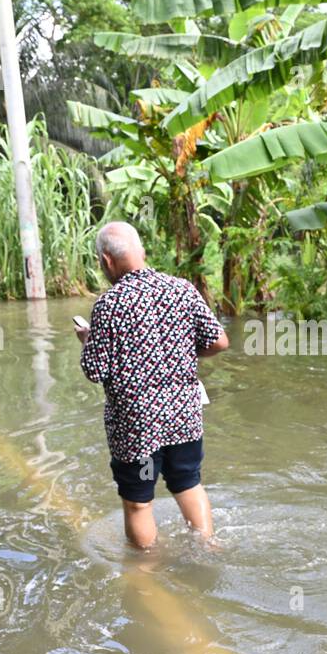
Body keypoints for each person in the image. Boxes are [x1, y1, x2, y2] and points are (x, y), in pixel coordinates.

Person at [77, 222, 229, 549]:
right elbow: (219, 342)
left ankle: (146, 576)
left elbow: (94, 369)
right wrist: (182, 354)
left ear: (106, 261)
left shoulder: (109, 305)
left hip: (138, 429)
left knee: (139, 501)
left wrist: (88, 339)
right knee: (188, 483)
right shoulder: (182, 289)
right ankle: (208, 548)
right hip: (183, 417)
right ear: (142, 252)